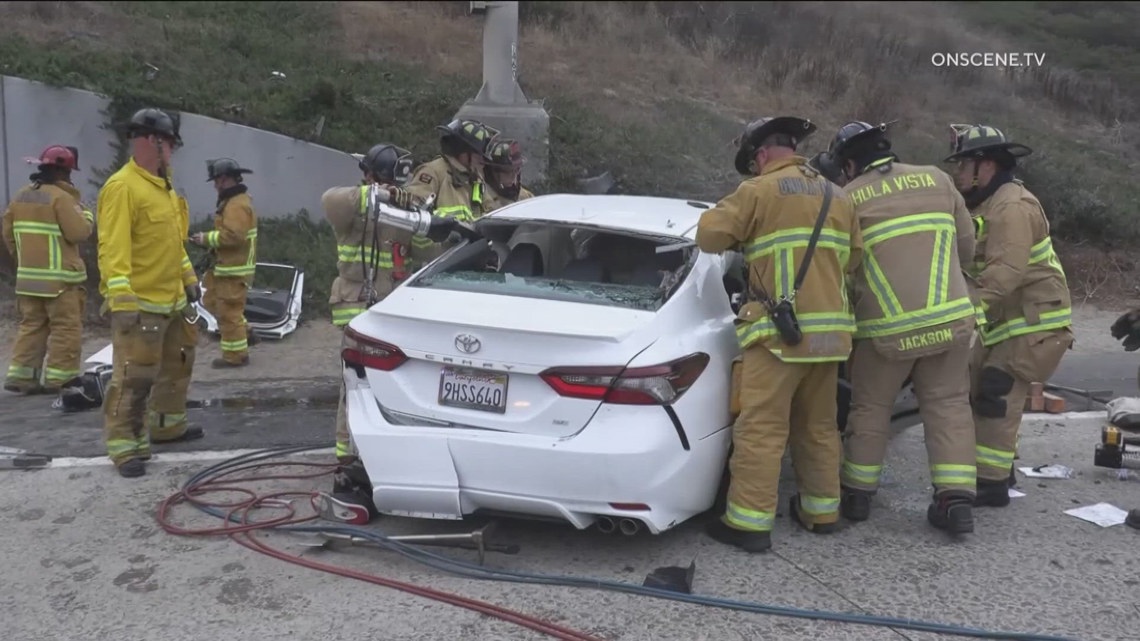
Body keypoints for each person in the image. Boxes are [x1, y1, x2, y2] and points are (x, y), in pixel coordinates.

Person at [695, 116, 862, 553]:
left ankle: (748, 524)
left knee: (763, 429)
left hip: (778, 337)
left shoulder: (759, 191)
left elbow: (709, 236)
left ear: (762, 153)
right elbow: (854, 259)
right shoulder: (838, 196)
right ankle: (822, 512)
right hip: (831, 338)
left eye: (753, 161)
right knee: (820, 428)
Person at [828, 121, 980, 534]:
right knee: (948, 405)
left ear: (850, 164)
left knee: (870, 407)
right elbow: (967, 248)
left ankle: (857, 495)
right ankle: (955, 500)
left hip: (885, 333)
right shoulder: (937, 179)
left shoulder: (848, 198)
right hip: (950, 323)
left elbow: (841, 267)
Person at [946, 124, 1074, 507]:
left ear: (985, 166)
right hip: (1009, 323)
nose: (957, 174)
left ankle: (992, 483)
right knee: (975, 388)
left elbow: (1005, 273)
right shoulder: (989, 204)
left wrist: (961, 311)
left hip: (1036, 324)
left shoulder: (1012, 207)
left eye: (963, 164)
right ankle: (997, 469)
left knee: (995, 392)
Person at [97, 107, 205, 478]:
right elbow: (113, 248)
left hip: (173, 301)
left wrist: (188, 278)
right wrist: (121, 297)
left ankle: (166, 426)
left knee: (177, 368)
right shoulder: (123, 187)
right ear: (150, 141)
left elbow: (173, 244)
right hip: (142, 305)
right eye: (169, 143)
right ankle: (125, 446)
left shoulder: (164, 187)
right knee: (134, 376)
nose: (172, 150)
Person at [2, 145, 94, 394]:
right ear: (65, 172)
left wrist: (26, 261)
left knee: (32, 325)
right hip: (60, 282)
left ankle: (22, 377)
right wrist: (87, 215)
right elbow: (79, 232)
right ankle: (60, 379)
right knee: (65, 328)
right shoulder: (61, 198)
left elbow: (8, 235)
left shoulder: (20, 196)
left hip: (29, 280)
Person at [190, 158, 259, 368]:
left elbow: (234, 236)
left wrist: (206, 238)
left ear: (224, 179)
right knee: (212, 301)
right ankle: (245, 332)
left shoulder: (237, 205)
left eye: (216, 180)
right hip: (224, 267)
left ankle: (236, 356)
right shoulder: (233, 202)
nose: (214, 185)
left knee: (228, 314)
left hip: (233, 270)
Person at [405, 118, 500, 263]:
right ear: (463, 151)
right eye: (478, 154)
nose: (482, 160)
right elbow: (413, 215)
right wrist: (447, 235)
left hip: (463, 261)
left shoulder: (474, 178)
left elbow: (491, 213)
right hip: (435, 266)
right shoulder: (433, 172)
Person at [482, 138, 534, 212]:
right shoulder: (483, 197)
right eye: (508, 171)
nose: (513, 176)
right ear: (493, 172)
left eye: (516, 170)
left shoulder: (526, 197)